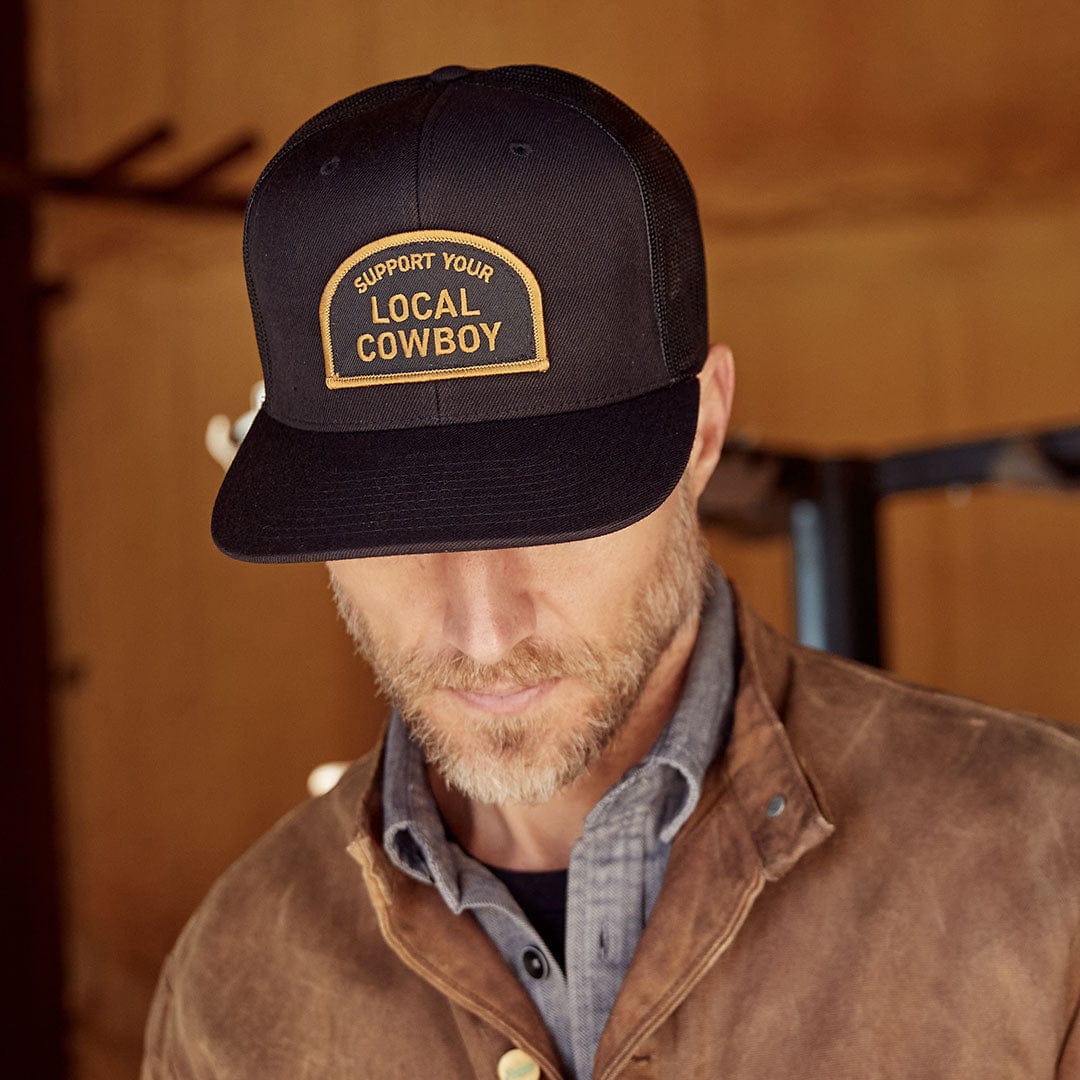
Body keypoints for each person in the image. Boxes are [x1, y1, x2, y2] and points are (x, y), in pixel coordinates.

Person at [143, 65, 1080, 1080]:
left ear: (704, 432)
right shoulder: (236, 986)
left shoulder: (1048, 878)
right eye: (393, 533)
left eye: (554, 518)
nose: (485, 634)